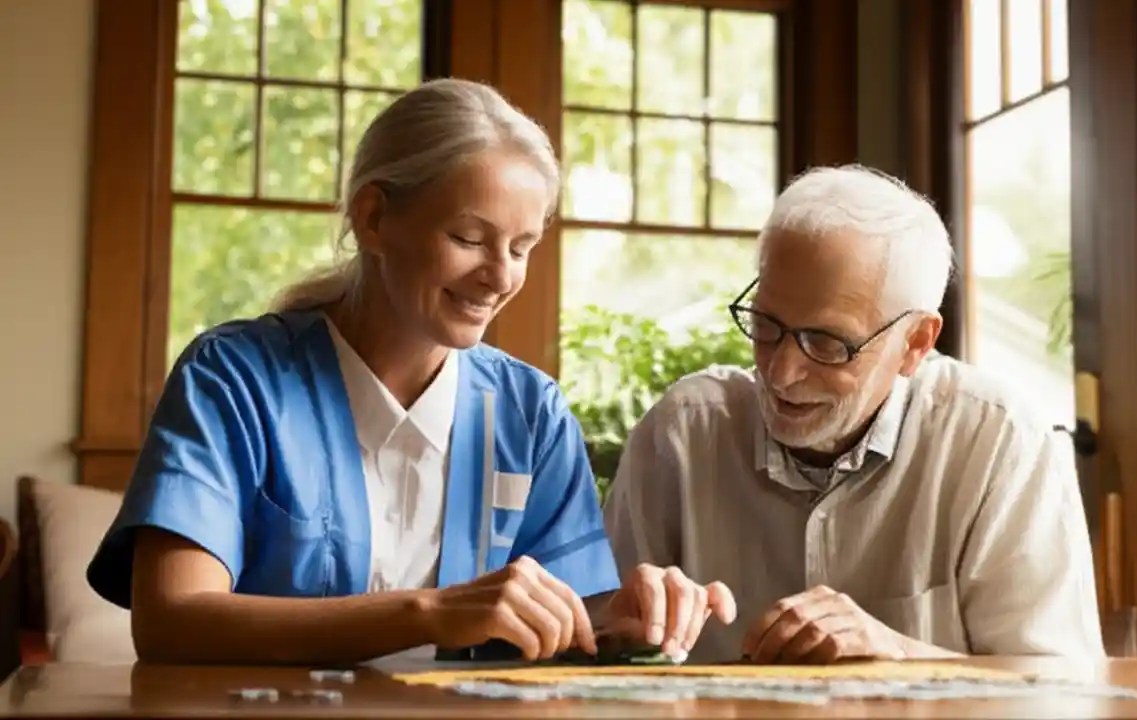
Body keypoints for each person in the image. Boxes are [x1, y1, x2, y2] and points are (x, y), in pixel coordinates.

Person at [86, 78, 734, 665]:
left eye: (521, 247)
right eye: (470, 239)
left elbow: (569, 621)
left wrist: (620, 620)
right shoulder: (233, 379)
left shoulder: (530, 413)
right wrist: (428, 613)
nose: (501, 275)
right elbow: (172, 620)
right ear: (373, 219)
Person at [604, 164, 1104, 664]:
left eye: (826, 342)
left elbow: (1056, 685)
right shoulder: (683, 434)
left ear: (915, 343)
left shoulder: (998, 439)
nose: (781, 373)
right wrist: (619, 635)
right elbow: (593, 647)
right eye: (766, 324)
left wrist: (899, 654)